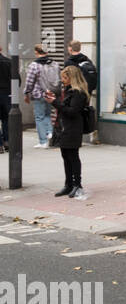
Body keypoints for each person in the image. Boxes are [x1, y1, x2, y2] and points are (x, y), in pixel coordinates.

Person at [49, 65, 90, 199]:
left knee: (73, 156)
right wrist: (54, 100)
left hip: (73, 128)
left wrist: (54, 102)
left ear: (72, 78)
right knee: (65, 156)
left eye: (65, 78)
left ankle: (77, 184)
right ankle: (68, 184)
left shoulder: (78, 93)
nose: (63, 80)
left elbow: (72, 111)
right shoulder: (68, 90)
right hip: (65, 127)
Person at [24, 45, 61, 148]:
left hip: (38, 94)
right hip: (50, 93)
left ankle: (43, 141)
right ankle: (49, 132)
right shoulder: (55, 64)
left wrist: (26, 93)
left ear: (36, 52)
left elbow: (29, 81)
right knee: (48, 114)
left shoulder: (34, 65)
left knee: (39, 117)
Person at [63, 40, 98, 145]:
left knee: (74, 114)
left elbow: (67, 78)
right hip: (87, 91)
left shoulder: (70, 62)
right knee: (84, 112)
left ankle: (78, 136)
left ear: (70, 48)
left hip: (75, 92)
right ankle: (90, 132)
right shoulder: (87, 60)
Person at [0, 48, 10, 152]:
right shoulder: (9, 62)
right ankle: (7, 141)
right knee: (6, 119)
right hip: (7, 94)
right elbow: (17, 79)